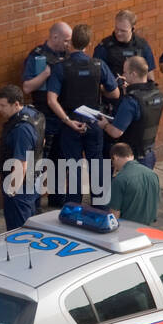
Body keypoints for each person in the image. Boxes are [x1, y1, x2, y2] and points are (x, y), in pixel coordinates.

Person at [46, 23, 118, 206]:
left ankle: (73, 207)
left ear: (70, 43)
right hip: (94, 122)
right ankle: (101, 207)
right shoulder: (98, 65)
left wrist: (67, 121)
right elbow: (115, 93)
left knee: (73, 167)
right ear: (89, 43)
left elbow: (51, 100)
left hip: (71, 125)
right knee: (97, 166)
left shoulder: (61, 68)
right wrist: (99, 89)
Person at [21, 22, 71, 206]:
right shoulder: (37, 56)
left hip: (62, 116)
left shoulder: (68, 56)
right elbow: (26, 87)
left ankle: (57, 201)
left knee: (61, 162)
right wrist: (46, 74)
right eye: (66, 40)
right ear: (54, 37)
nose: (68, 44)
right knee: (39, 163)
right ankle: (33, 204)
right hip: (43, 118)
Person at [96, 55, 163, 170]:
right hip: (149, 153)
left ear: (133, 74)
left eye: (125, 72)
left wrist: (105, 125)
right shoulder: (158, 93)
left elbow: (116, 132)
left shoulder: (131, 101)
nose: (123, 75)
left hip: (132, 158)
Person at [0, 85, 44, 229]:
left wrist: (12, 191)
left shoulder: (21, 129)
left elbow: (21, 164)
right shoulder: (34, 114)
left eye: (2, 105)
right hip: (34, 179)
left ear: (16, 104)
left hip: (21, 188)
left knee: (18, 232)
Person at [106, 142, 160, 225]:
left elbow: (114, 214)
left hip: (128, 228)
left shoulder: (120, 179)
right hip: (149, 226)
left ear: (115, 157)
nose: (113, 165)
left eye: (112, 161)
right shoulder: (152, 174)